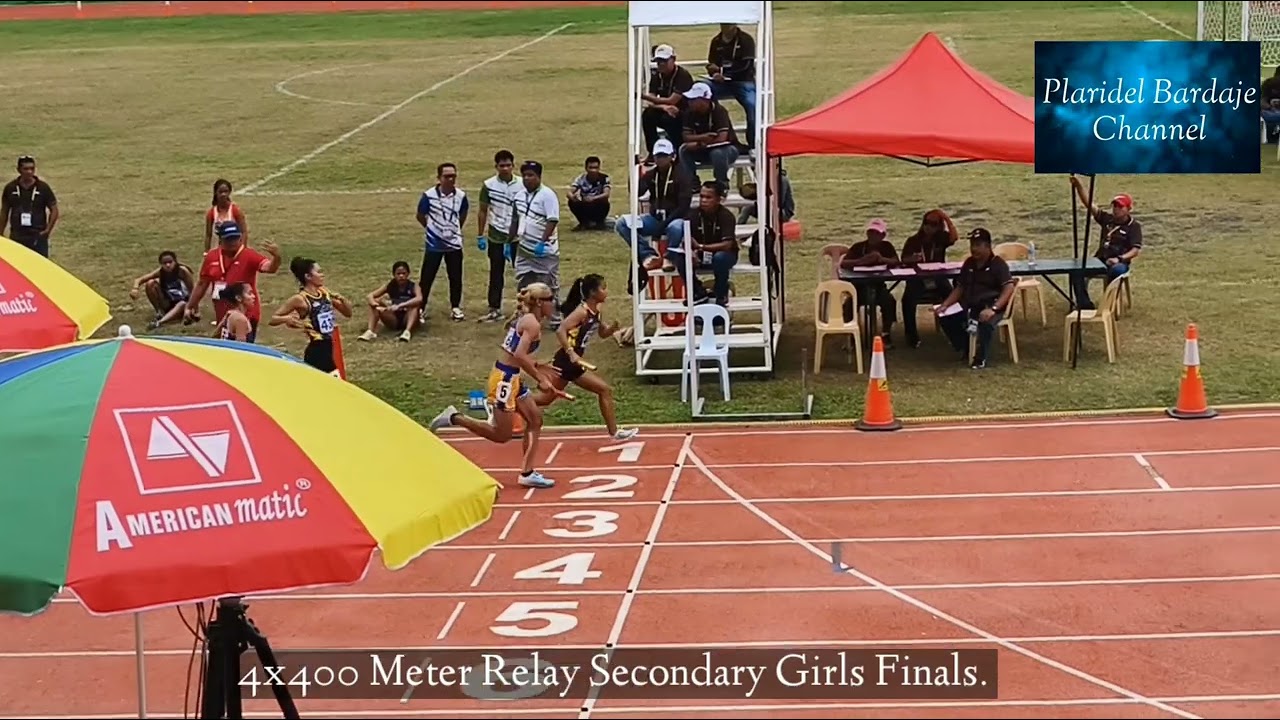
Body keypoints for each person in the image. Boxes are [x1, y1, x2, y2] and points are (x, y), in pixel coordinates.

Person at [428, 283, 564, 490]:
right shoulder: (532, 324)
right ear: (538, 302)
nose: (553, 303)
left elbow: (514, 353)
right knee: (501, 435)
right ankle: (455, 418)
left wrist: (538, 365)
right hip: (505, 380)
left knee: (535, 419)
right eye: (550, 299)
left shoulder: (530, 320)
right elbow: (518, 355)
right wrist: (540, 379)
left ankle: (527, 472)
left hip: (513, 377)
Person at [533, 273, 639, 441]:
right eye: (603, 288)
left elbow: (602, 333)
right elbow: (561, 330)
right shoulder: (581, 312)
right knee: (603, 390)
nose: (606, 292)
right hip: (567, 361)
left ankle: (512, 402)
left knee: (546, 399)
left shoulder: (595, 311)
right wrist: (571, 352)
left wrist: (613, 328)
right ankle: (510, 403)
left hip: (573, 362)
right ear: (592, 293)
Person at [935, 228, 1017, 370]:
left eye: (978, 245)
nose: (974, 249)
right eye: (972, 245)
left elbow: (1008, 287)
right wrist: (945, 304)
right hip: (969, 304)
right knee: (945, 316)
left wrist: (994, 308)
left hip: (991, 305)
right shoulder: (969, 263)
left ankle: (980, 358)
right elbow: (960, 288)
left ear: (987, 246)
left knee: (985, 321)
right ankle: (965, 347)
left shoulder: (998, 264)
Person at [184, 222, 281, 342]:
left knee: (241, 349)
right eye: (229, 239)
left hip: (246, 313)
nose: (233, 243)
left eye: (235, 238)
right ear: (220, 240)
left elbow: (269, 268)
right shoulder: (212, 257)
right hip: (223, 312)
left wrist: (277, 258)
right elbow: (202, 283)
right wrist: (190, 306)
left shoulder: (248, 255)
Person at [614, 139, 693, 285]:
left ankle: (669, 256)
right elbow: (636, 192)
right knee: (622, 223)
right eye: (658, 156)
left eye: (664, 155)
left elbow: (683, 207)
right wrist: (634, 170)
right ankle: (648, 255)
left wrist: (663, 225)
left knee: (675, 227)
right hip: (654, 217)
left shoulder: (682, 176)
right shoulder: (651, 174)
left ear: (672, 156)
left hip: (675, 217)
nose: (660, 159)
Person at [269, 257, 353, 378]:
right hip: (317, 350)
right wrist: (287, 319)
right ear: (308, 276)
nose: (322, 275)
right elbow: (273, 319)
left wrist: (342, 300)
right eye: (318, 272)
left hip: (329, 346)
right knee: (335, 385)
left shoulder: (325, 293)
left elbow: (348, 313)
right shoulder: (300, 299)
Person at [1069, 176, 1142, 311]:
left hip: (1120, 262)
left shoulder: (1134, 226)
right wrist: (1078, 186)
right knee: (1076, 271)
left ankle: (1109, 304)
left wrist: (1119, 259)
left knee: (1116, 270)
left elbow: (1135, 250)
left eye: (1120, 206)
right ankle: (1085, 305)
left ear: (1128, 209)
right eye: (1114, 205)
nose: (1116, 209)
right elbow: (1089, 204)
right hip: (1100, 260)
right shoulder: (1107, 219)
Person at [509, 160, 563, 328]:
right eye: (524, 175)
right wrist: (508, 242)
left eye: (531, 175)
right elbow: (515, 220)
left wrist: (542, 242)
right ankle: (524, 316)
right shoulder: (518, 197)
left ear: (539, 177)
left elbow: (552, 220)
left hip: (545, 251)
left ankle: (555, 319)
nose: (527, 179)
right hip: (524, 248)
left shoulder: (548, 195)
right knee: (524, 284)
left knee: (547, 286)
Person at [416, 162, 469, 322]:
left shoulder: (460, 196)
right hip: (434, 244)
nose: (450, 179)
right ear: (439, 178)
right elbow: (420, 215)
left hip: (454, 243)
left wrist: (454, 230)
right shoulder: (429, 195)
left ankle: (455, 307)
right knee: (427, 277)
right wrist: (431, 229)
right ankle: (420, 308)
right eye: (447, 176)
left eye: (453, 176)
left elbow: (463, 214)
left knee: (455, 276)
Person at [899, 209, 958, 348]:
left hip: (938, 277)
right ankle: (911, 337)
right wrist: (912, 259)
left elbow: (954, 237)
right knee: (907, 300)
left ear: (939, 226)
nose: (929, 227)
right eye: (926, 223)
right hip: (918, 278)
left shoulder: (941, 238)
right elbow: (903, 259)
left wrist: (945, 217)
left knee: (952, 298)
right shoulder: (913, 240)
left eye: (933, 224)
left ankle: (955, 333)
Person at [476, 150, 521, 323]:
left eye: (508, 165)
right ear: (496, 167)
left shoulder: (521, 184)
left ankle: (525, 308)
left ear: (513, 165)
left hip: (516, 237)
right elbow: (482, 210)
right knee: (496, 273)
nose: (505, 168)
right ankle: (494, 308)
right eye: (502, 165)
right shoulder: (488, 185)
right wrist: (480, 235)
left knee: (522, 272)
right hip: (496, 235)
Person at [840, 218, 899, 347]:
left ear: (883, 235)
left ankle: (886, 334)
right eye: (871, 232)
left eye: (876, 233)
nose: (873, 236)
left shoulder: (887, 247)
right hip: (859, 288)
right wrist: (862, 261)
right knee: (849, 304)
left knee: (889, 301)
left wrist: (881, 259)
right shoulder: (858, 247)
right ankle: (850, 335)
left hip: (879, 287)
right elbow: (844, 263)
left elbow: (896, 261)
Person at [679, 82, 741, 194]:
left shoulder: (719, 111)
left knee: (717, 153)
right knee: (683, 149)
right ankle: (692, 183)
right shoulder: (688, 113)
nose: (689, 102)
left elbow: (722, 138)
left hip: (727, 149)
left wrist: (699, 142)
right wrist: (702, 139)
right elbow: (686, 137)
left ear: (704, 100)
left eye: (693, 99)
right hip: (703, 148)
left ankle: (722, 184)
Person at [706, 23, 758, 150]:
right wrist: (714, 72)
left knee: (753, 107)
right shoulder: (716, 41)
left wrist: (724, 72)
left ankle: (753, 145)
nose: (725, 26)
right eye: (723, 23)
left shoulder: (746, 40)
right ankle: (721, 129)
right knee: (703, 90)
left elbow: (746, 66)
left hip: (743, 81)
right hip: (721, 83)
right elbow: (711, 63)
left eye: (728, 23)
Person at [641, 44, 695, 157]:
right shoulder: (657, 75)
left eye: (664, 61)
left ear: (673, 59)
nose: (660, 64)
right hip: (667, 109)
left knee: (670, 117)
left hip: (685, 112)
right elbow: (651, 102)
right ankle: (653, 151)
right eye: (658, 61)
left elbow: (672, 101)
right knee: (647, 115)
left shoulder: (682, 75)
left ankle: (677, 150)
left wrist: (644, 96)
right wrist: (663, 107)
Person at [2, 155, 59, 258]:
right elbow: (4, 211)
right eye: (26, 169)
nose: (29, 172)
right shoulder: (10, 188)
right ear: (19, 170)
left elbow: (54, 209)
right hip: (17, 235)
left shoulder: (42, 187)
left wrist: (48, 230)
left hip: (37, 235)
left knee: (40, 267)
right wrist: (1, 232)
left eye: (32, 168)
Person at [359, 260, 422, 342]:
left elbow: (419, 299)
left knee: (415, 305)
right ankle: (370, 331)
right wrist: (375, 305)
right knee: (376, 301)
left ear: (408, 274)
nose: (401, 276)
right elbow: (370, 296)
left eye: (403, 273)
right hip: (394, 317)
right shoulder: (390, 285)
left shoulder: (413, 286)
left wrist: (401, 305)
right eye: (398, 274)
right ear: (394, 275)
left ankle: (407, 332)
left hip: (408, 316)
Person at [129, 250, 195, 329]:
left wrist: (193, 309)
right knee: (150, 283)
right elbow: (139, 279)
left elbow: (193, 292)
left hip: (183, 302)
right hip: (169, 301)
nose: (168, 265)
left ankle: (159, 323)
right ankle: (159, 312)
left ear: (175, 262)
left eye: (170, 262)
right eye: (165, 263)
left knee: (182, 304)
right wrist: (135, 288)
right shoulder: (161, 272)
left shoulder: (183, 271)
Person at [567, 156, 611, 230]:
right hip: (585, 205)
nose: (593, 170)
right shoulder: (581, 179)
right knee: (571, 202)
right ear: (586, 168)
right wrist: (573, 197)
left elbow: (606, 194)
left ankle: (599, 222)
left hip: (598, 205)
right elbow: (569, 192)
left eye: (596, 167)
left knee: (604, 202)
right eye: (591, 168)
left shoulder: (604, 178)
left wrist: (593, 198)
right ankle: (583, 222)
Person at [204, 179, 247, 252]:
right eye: (220, 192)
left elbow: (244, 232)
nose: (223, 194)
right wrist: (206, 252)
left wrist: (242, 249)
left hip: (235, 249)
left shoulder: (235, 210)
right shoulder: (211, 213)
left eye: (226, 191)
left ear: (229, 192)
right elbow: (208, 235)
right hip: (218, 250)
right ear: (215, 193)